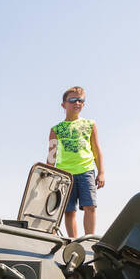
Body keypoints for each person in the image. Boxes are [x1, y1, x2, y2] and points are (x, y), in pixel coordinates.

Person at [47, 86, 105, 238]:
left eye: (80, 100)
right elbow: (52, 155)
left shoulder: (90, 124)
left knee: (90, 206)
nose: (77, 103)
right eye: (73, 100)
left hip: (86, 170)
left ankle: (88, 240)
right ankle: (73, 241)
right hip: (65, 174)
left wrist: (102, 172)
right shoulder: (56, 129)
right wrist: (48, 175)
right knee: (69, 210)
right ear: (63, 104)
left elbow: (96, 149)